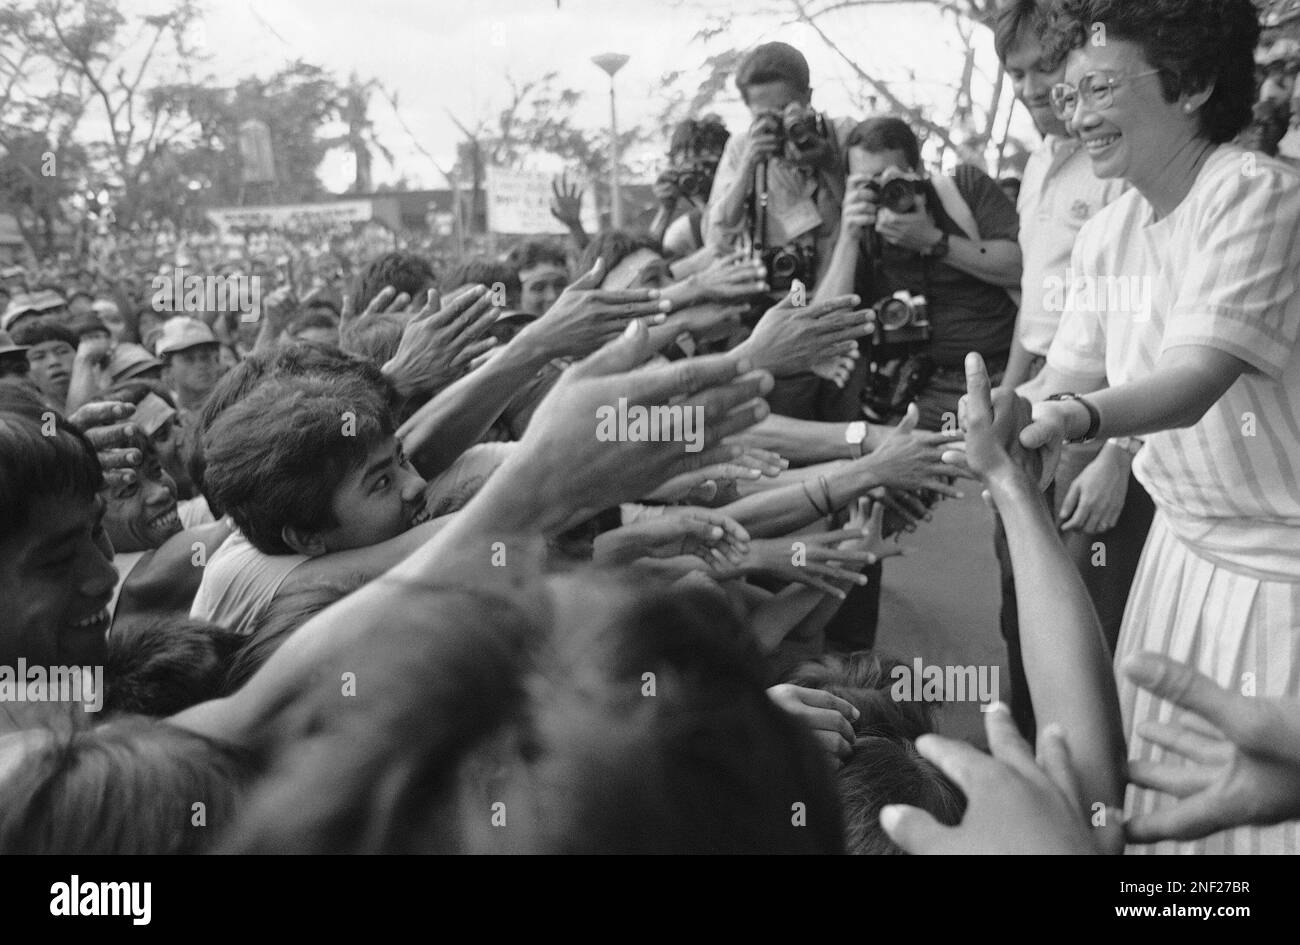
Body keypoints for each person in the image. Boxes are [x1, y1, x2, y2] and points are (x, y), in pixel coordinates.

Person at [1018, 0, 1300, 854]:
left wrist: (1077, 419)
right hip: (1178, 562)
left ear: (1195, 85)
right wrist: (987, 425)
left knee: (1256, 839)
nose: (1077, 116)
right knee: (1167, 850)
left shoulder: (1257, 194)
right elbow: (1059, 379)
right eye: (1067, 98)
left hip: (1281, 580)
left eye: (1100, 87)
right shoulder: (1108, 232)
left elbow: (1191, 380)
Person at [991, 0, 1151, 739]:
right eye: (1015, 73)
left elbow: (1153, 324)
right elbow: (1036, 298)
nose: (1028, 87)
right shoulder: (1039, 167)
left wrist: (1119, 453)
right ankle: (1030, 771)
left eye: (1042, 68)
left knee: (1094, 626)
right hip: (1035, 409)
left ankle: (1095, 807)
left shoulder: (1126, 165)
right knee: (1021, 603)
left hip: (1104, 426)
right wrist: (1007, 391)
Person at [817, 116, 1022, 432]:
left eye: (892, 180)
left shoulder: (963, 188)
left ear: (918, 171)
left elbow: (1021, 267)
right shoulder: (860, 231)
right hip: (923, 385)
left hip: (1004, 373)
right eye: (868, 184)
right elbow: (822, 329)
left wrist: (934, 241)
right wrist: (849, 237)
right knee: (898, 468)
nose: (885, 193)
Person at [704, 41, 852, 291]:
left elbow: (871, 221)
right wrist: (748, 166)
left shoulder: (842, 134)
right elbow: (717, 239)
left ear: (808, 97)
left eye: (786, 110)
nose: (778, 123)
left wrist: (829, 164)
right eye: (765, 116)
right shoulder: (741, 148)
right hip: (781, 294)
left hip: (841, 287)